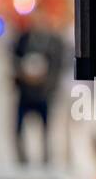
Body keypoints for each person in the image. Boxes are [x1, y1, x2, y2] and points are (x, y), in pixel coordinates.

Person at [11, 17, 64, 164]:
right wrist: (23, 75)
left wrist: (46, 83)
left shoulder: (53, 42)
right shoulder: (23, 39)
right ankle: (23, 159)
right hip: (25, 93)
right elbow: (14, 60)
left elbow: (57, 66)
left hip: (43, 94)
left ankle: (46, 158)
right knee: (19, 129)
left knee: (46, 129)